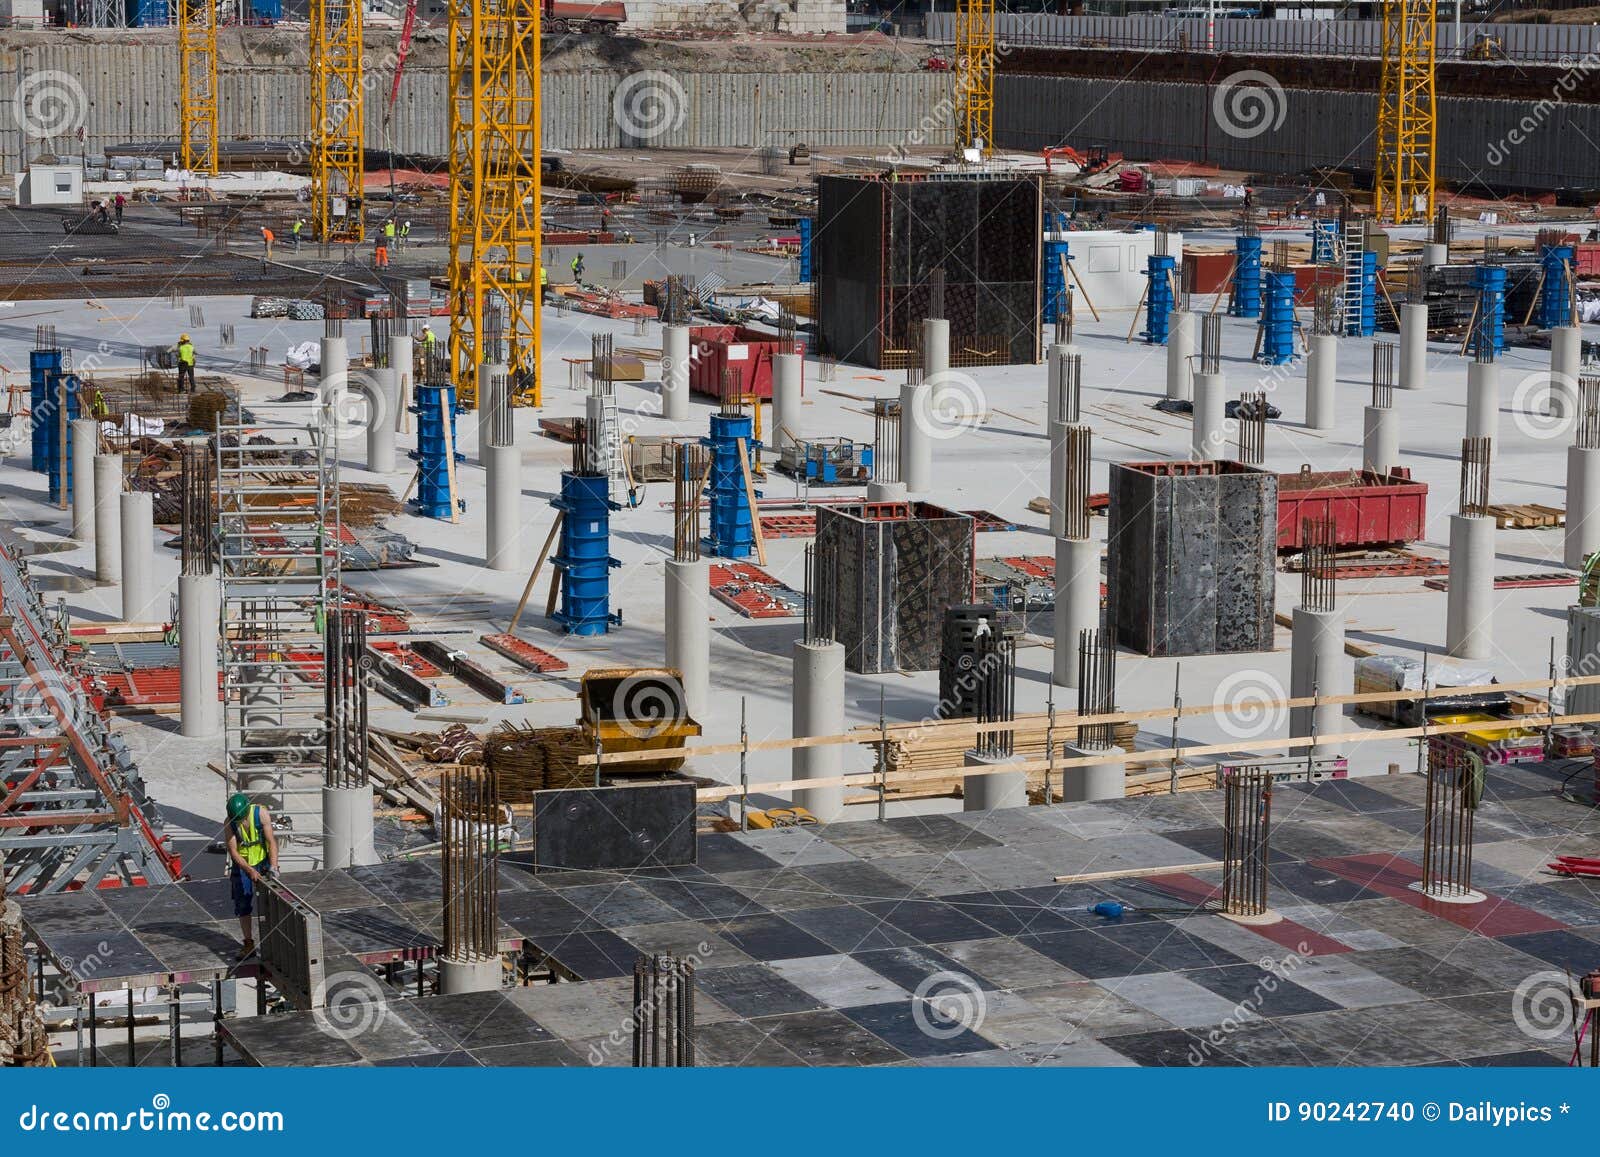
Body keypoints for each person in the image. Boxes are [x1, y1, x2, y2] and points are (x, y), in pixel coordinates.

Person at [224, 793, 278, 958]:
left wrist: (274, 866)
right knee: (243, 903)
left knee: (273, 899)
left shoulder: (260, 813)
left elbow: (271, 842)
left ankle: (276, 941)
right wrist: (250, 870)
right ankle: (248, 943)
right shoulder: (229, 823)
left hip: (263, 860)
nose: (239, 822)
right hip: (244, 864)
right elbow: (234, 852)